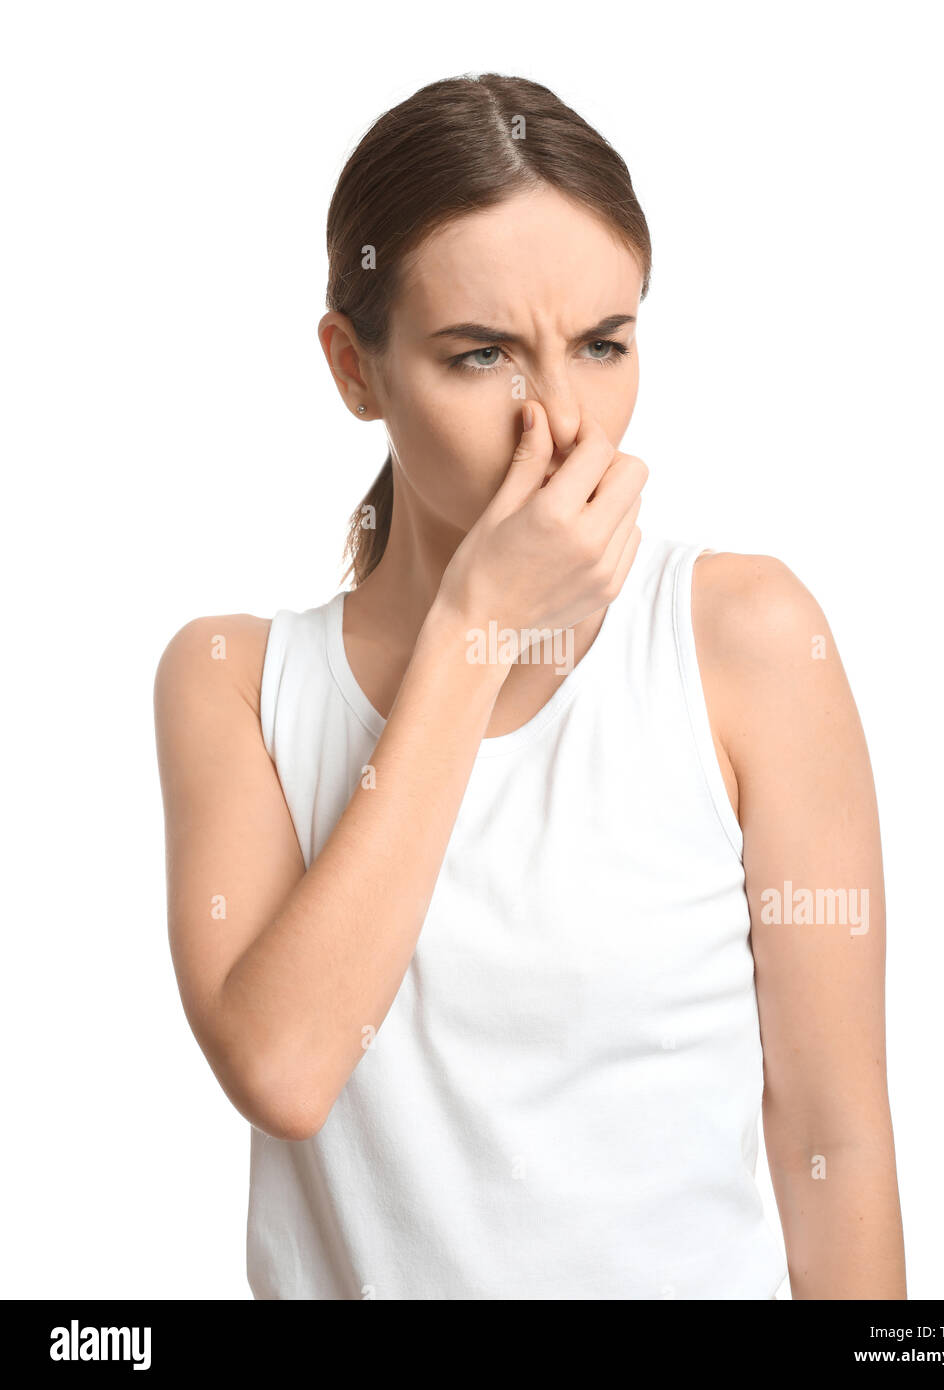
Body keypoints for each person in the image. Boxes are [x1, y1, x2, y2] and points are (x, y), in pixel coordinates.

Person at [153, 72, 905, 1300]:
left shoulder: (745, 641)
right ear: (356, 368)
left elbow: (839, 1143)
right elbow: (286, 1066)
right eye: (481, 354)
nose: (560, 418)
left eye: (603, 344)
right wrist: (477, 626)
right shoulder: (231, 682)